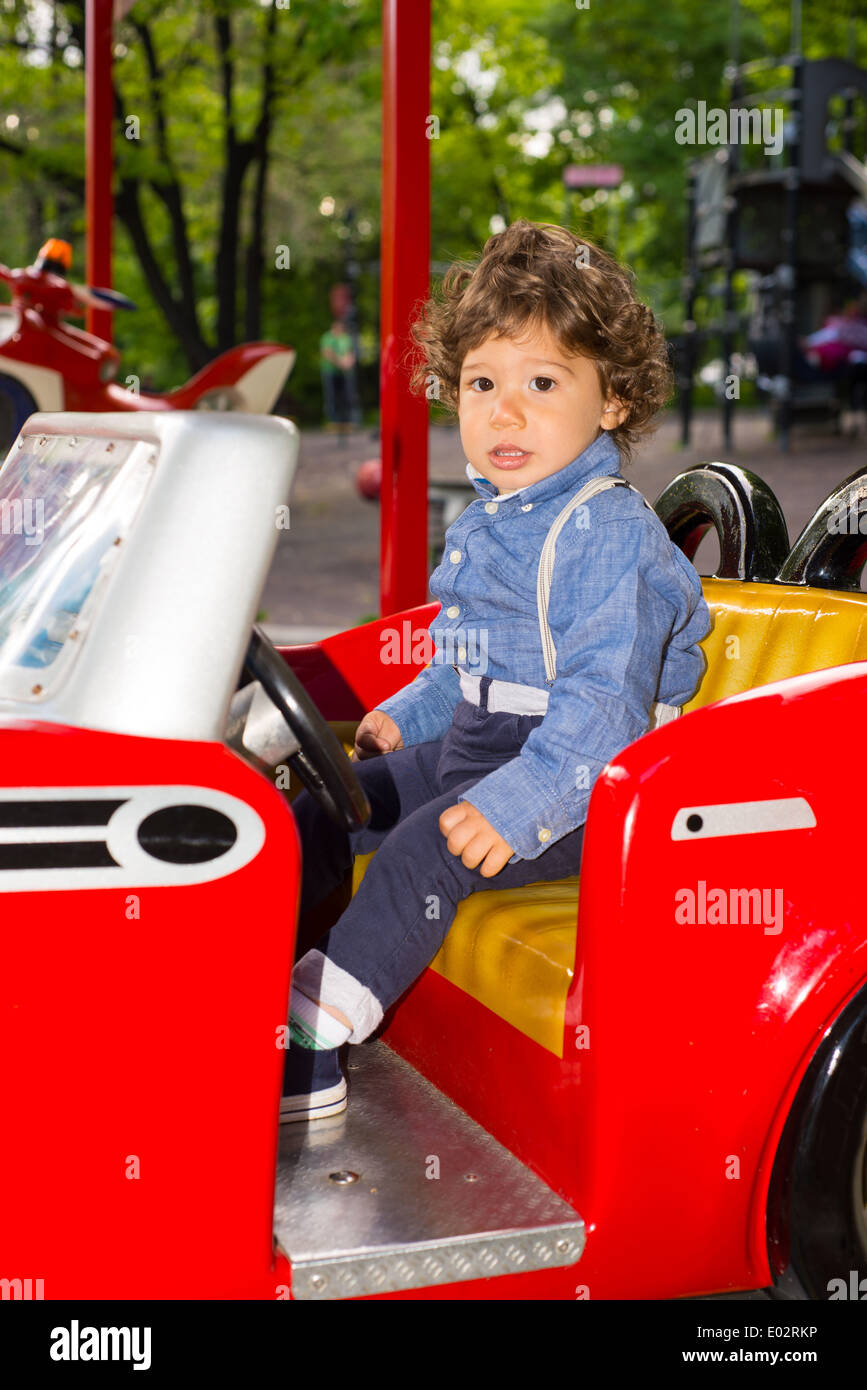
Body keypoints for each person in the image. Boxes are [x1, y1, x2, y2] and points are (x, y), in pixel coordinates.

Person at [281, 220, 711, 1121]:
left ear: (614, 403)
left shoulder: (604, 533)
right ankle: (239, 977)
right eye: (482, 383)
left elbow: (604, 708)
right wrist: (410, 709)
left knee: (417, 852)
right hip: (478, 743)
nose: (504, 412)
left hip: (585, 786)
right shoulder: (492, 519)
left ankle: (310, 1048)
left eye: (541, 383)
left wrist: (519, 806)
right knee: (327, 806)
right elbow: (467, 658)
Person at [319, 318, 357, 433]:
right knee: (332, 396)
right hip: (330, 371)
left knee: (347, 395)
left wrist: (349, 362)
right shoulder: (327, 338)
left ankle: (348, 420)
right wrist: (340, 363)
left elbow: (350, 352)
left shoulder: (345, 338)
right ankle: (333, 420)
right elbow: (327, 353)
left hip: (344, 372)